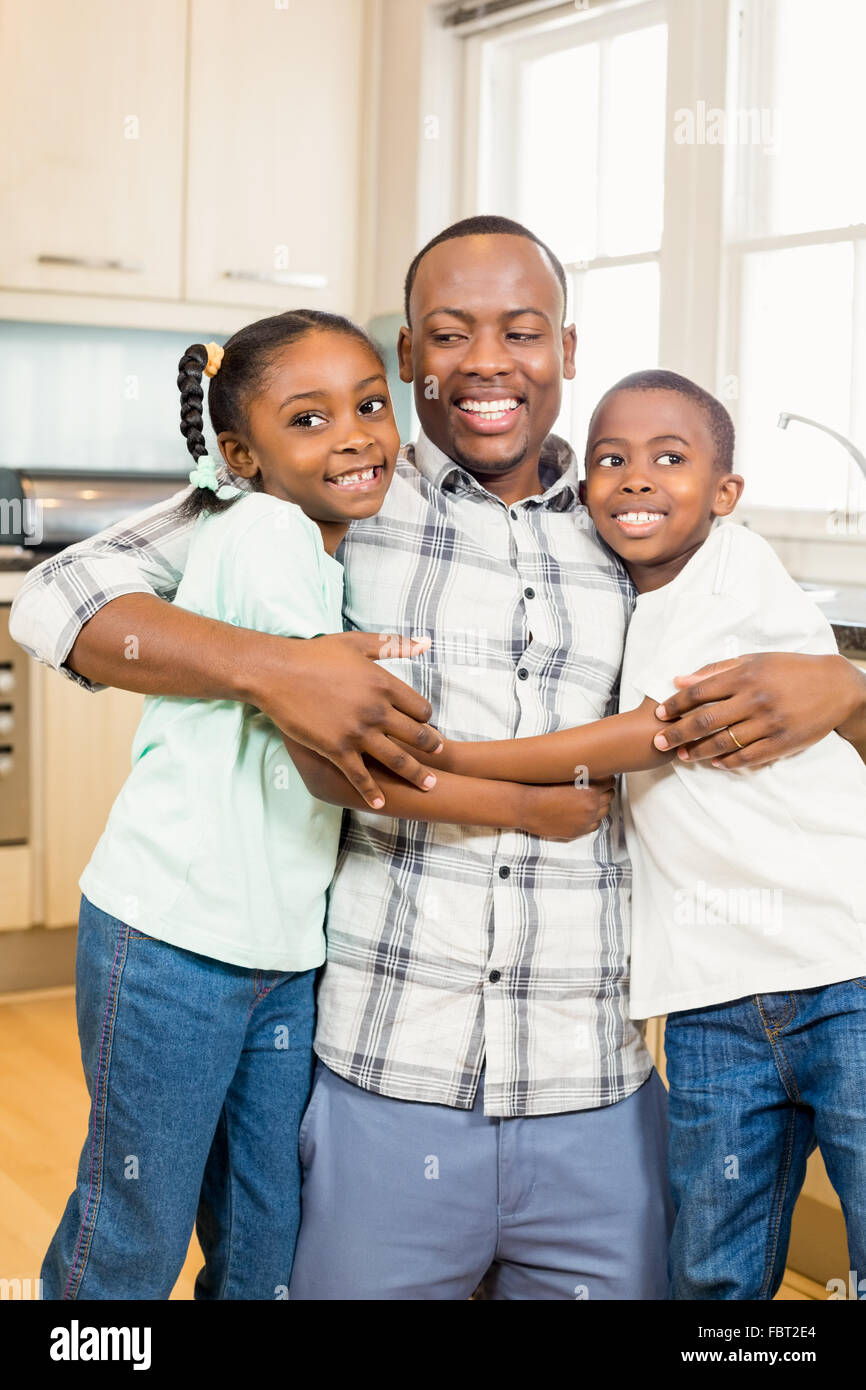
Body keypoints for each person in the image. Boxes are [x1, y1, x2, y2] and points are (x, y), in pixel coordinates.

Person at [12, 216, 866, 1300]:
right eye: (449, 334)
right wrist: (281, 670)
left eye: (520, 330)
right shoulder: (336, 486)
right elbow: (57, 601)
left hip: (592, 1085)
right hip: (385, 1074)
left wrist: (845, 683)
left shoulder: (637, 515)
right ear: (408, 354)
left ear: (565, 348)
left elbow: (766, 687)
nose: (486, 362)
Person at [41, 308, 599, 1302]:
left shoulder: (325, 542)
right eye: (308, 420)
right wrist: (524, 807)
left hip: (285, 952)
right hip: (171, 937)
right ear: (242, 455)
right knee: (138, 1215)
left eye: (368, 406)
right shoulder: (262, 534)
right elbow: (337, 769)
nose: (352, 434)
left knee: (265, 1220)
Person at [421, 369, 866, 1299]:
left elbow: (661, 733)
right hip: (708, 1001)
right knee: (710, 1266)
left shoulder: (731, 572)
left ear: (726, 494)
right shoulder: (623, 598)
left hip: (842, 971)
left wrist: (469, 760)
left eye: (671, 459)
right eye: (610, 460)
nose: (635, 479)